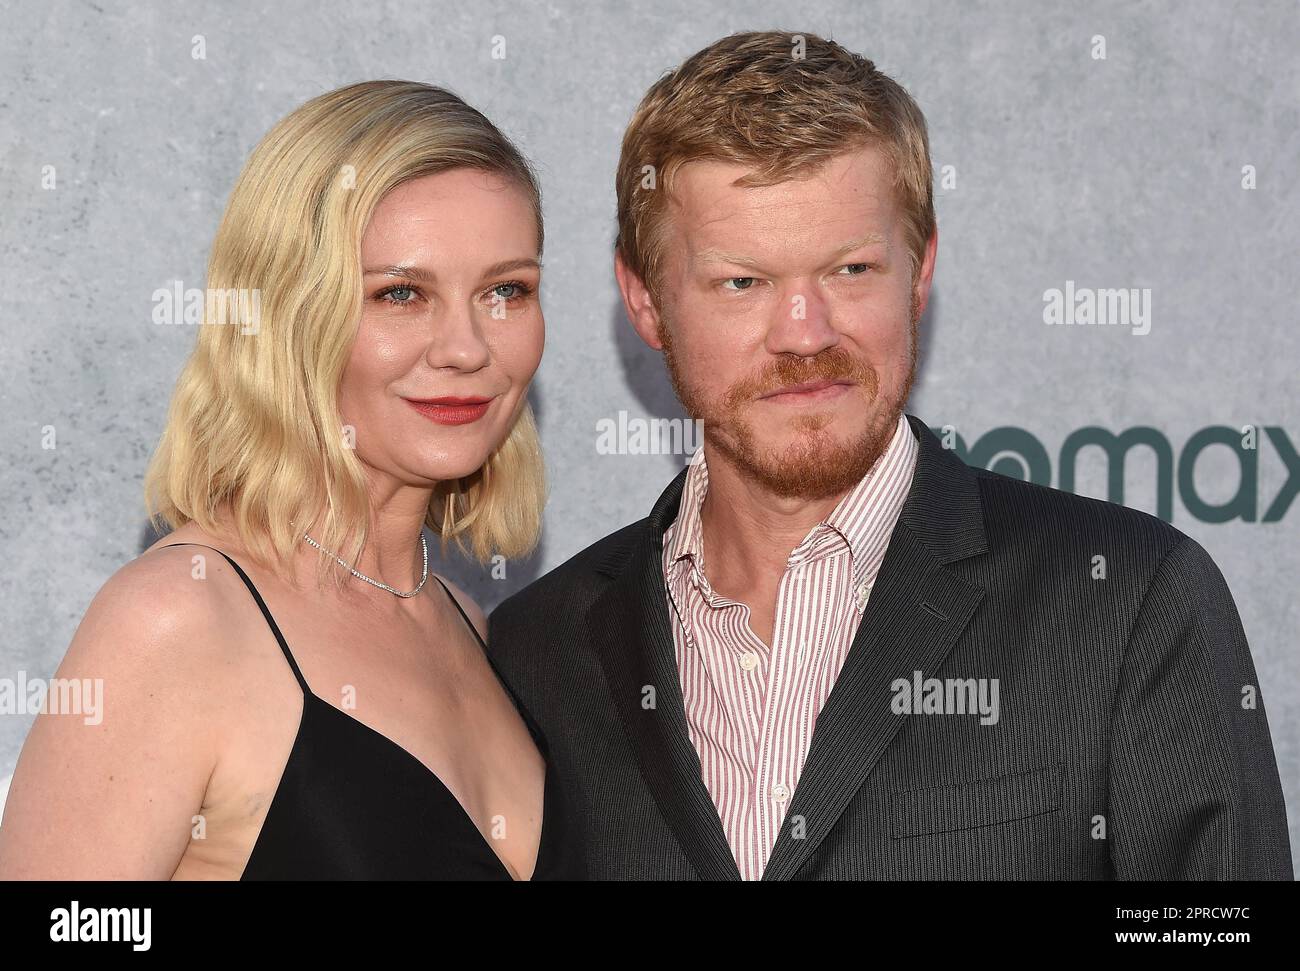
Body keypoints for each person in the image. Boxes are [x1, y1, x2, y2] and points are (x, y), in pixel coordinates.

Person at [487, 30, 1292, 880]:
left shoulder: (1128, 599)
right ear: (645, 301)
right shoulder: (542, 648)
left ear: (919, 273)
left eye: (850, 269)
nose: (805, 333)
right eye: (742, 282)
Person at [0, 80, 581, 880]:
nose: (467, 346)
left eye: (505, 290)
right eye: (401, 294)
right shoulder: (178, 619)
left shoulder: (473, 631)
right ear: (287, 314)